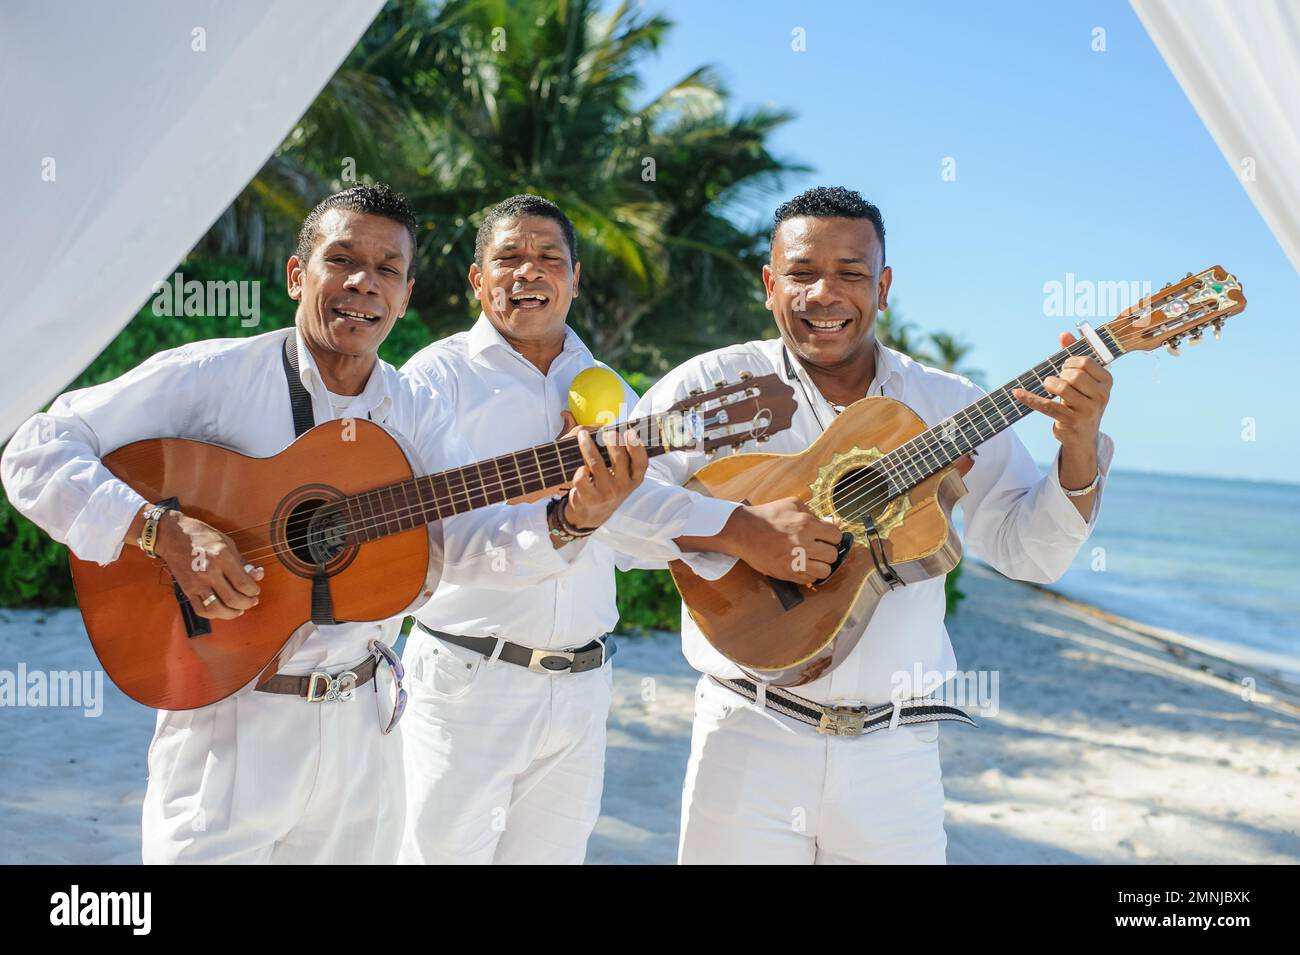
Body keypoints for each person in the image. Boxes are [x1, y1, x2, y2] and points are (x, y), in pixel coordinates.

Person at [0, 184, 645, 864]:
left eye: (388, 269)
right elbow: (37, 447)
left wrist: (571, 519)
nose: (364, 283)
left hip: (364, 734)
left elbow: (468, 541)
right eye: (342, 260)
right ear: (296, 274)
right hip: (228, 721)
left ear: (406, 295)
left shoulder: (413, 409)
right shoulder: (215, 376)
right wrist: (162, 530)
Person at [616, 185, 1115, 864]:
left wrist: (1078, 444)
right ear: (769, 284)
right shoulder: (713, 385)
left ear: (882, 289)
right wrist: (738, 528)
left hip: (896, 760)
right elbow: (615, 511)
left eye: (850, 273)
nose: (824, 293)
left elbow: (1030, 554)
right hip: (746, 735)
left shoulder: (947, 404)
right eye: (801, 272)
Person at [397, 194, 741, 864]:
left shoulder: (606, 383)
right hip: (467, 679)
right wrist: (552, 491)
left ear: (575, 278)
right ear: (477, 280)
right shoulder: (436, 376)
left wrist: (733, 526)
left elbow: (640, 529)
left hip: (582, 684)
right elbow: (425, 527)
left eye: (549, 257)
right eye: (509, 257)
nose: (529, 271)